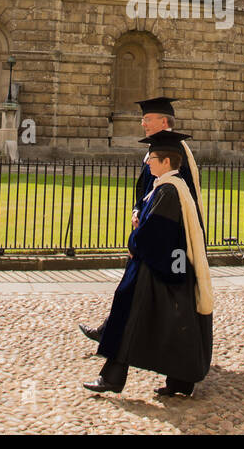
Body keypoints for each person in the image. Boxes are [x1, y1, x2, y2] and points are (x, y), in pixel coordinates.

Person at [85, 131, 213, 397]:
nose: (148, 163)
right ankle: (180, 381)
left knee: (128, 317)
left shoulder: (168, 190)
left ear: (166, 162)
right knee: (170, 325)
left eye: (152, 158)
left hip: (154, 270)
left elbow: (154, 233)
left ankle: (112, 377)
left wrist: (134, 241)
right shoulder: (168, 187)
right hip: (169, 269)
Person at [79, 97, 203, 344]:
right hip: (149, 227)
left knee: (142, 290)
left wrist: (150, 220)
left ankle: (117, 340)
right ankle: (114, 333)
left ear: (163, 121)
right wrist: (139, 209)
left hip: (162, 236)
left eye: (147, 119)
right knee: (135, 290)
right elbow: (147, 188)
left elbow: (178, 194)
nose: (143, 123)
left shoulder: (174, 149)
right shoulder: (157, 146)